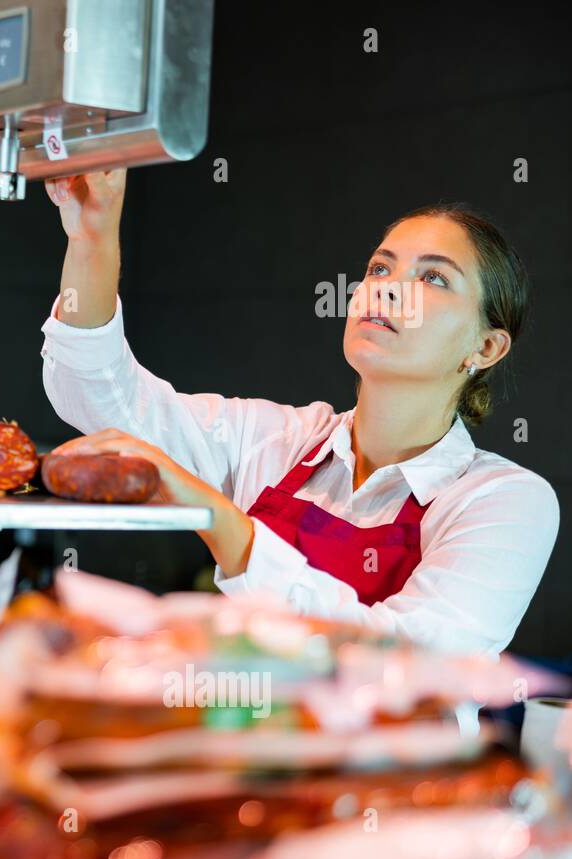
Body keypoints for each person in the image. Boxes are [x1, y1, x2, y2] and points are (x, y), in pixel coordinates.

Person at [41, 169, 557, 655]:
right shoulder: (277, 440)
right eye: (381, 267)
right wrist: (93, 235)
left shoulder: (504, 500)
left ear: (486, 348)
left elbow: (409, 660)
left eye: (434, 279)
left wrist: (222, 522)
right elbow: (102, 397)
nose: (387, 287)